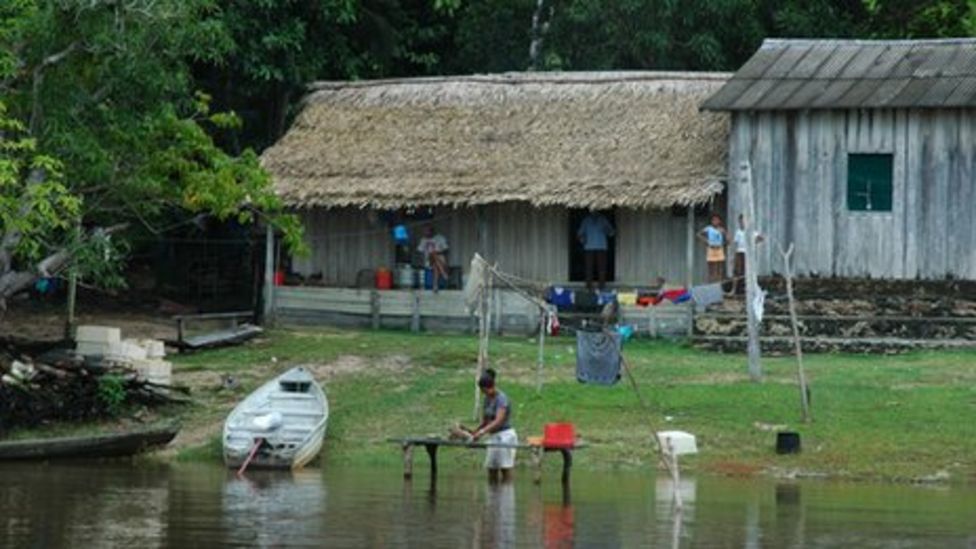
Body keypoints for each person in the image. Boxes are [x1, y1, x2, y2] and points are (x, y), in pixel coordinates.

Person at [468, 369, 517, 483]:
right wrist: (476, 431)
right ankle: (493, 490)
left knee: (504, 467)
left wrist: (482, 432)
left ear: (491, 387)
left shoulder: (502, 399)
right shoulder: (487, 399)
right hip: (493, 436)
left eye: (485, 390)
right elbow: (486, 421)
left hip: (505, 435)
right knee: (492, 467)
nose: (485, 393)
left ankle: (506, 490)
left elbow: (498, 420)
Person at [577, 210, 615, 289]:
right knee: (588, 268)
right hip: (589, 247)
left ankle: (602, 286)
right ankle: (588, 286)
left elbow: (612, 233)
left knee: (601, 268)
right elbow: (580, 233)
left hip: (601, 246)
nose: (594, 212)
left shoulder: (603, 220)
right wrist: (582, 241)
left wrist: (607, 230)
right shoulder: (586, 220)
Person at [732, 214, 763, 295]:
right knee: (737, 272)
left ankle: (748, 289)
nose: (742, 223)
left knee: (748, 271)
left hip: (748, 254)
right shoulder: (738, 232)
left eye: (744, 221)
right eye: (741, 221)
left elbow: (761, 238)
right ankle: (734, 290)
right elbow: (735, 244)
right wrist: (734, 256)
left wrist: (753, 243)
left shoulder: (751, 232)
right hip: (739, 253)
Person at [416, 224, 449, 291]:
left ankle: (435, 285)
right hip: (428, 260)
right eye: (424, 231)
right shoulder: (423, 240)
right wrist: (421, 260)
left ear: (431, 231)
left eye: (427, 231)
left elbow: (446, 250)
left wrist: (437, 252)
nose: (425, 233)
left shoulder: (440, 238)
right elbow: (419, 251)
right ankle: (443, 273)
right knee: (432, 253)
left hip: (441, 260)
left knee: (435, 265)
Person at [698, 214, 728, 283]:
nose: (715, 221)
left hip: (719, 249)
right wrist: (706, 241)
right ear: (711, 221)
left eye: (717, 220)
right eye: (714, 220)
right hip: (711, 249)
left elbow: (728, 237)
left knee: (719, 267)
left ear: (719, 221)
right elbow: (699, 234)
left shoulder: (721, 229)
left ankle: (719, 282)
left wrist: (725, 241)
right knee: (712, 267)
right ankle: (711, 282)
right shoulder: (708, 228)